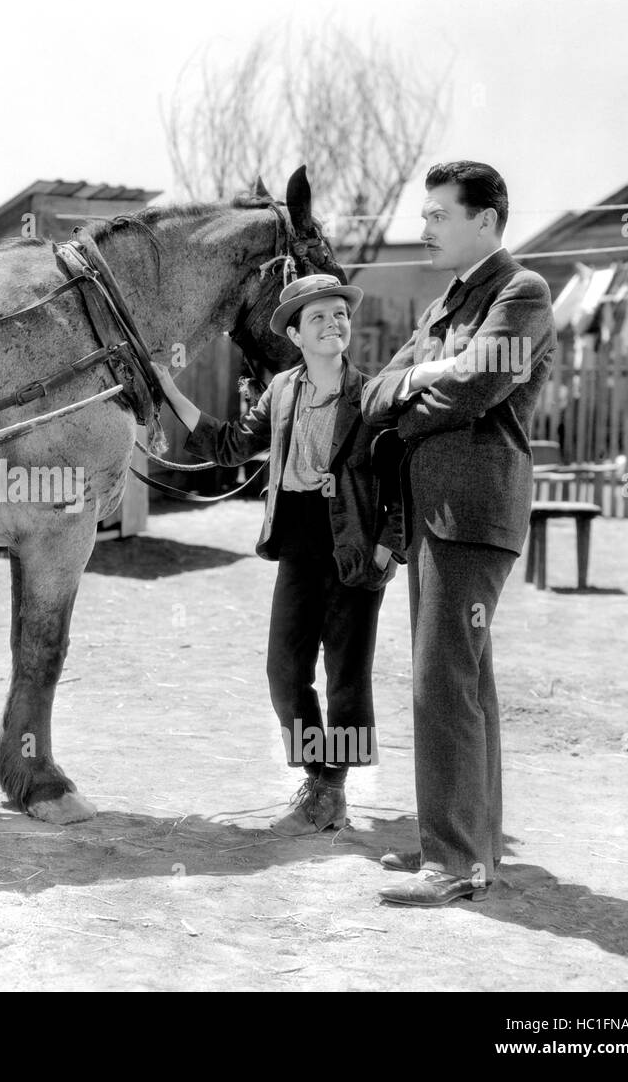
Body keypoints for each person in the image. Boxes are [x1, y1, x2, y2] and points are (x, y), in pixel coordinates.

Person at [361, 161, 554, 906]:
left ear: (487, 219)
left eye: (439, 213)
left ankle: (454, 860)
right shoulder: (448, 301)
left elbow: (478, 384)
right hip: (436, 513)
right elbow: (380, 387)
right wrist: (423, 376)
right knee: (464, 679)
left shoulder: (521, 292)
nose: (425, 226)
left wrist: (417, 392)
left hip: (473, 512)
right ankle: (474, 855)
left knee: (442, 680)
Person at [154, 273, 403, 836]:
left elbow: (403, 477)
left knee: (346, 676)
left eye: (339, 313)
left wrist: (391, 546)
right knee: (285, 670)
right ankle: (319, 774)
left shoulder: (372, 397)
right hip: (298, 542)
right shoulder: (283, 390)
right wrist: (168, 387)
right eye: (317, 317)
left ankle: (331, 792)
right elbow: (229, 445)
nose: (332, 323)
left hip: (356, 546)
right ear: (295, 333)